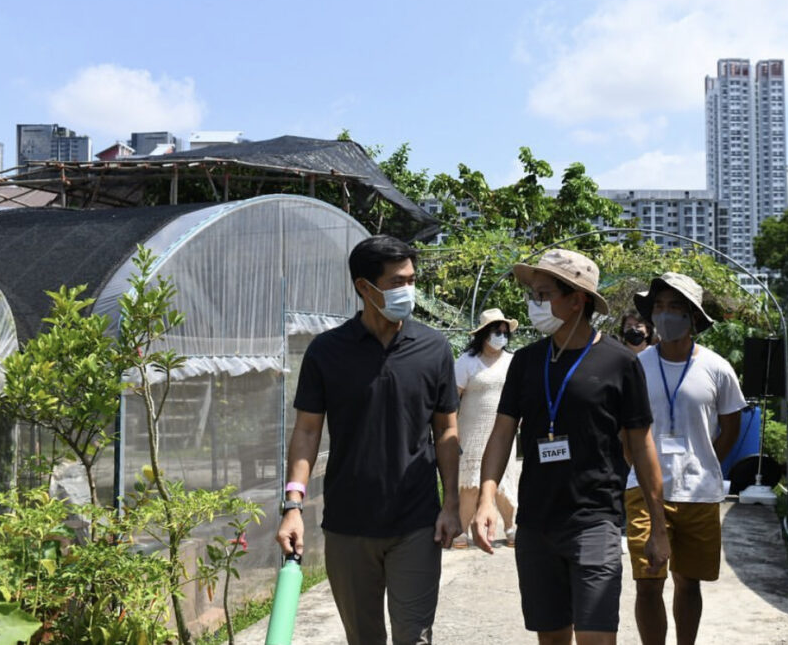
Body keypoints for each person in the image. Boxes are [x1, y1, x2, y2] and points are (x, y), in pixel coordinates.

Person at [472, 248, 671, 645]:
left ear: (577, 300)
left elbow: (642, 445)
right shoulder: (526, 362)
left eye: (543, 294)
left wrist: (658, 527)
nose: (534, 303)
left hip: (595, 519)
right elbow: (502, 433)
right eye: (533, 294)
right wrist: (485, 500)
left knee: (596, 637)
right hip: (536, 523)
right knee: (552, 638)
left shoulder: (619, 362)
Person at [275, 235, 462, 645]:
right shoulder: (327, 351)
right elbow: (307, 431)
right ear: (364, 287)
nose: (408, 290)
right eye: (397, 282)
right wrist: (293, 506)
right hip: (349, 525)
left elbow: (447, 430)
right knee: (363, 638)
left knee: (414, 637)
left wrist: (451, 503)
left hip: (416, 522)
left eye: (412, 280)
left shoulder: (433, 348)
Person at [624, 273, 747, 645]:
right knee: (647, 582)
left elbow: (731, 426)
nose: (664, 314)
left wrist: (705, 463)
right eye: (659, 307)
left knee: (688, 582)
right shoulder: (636, 366)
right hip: (644, 490)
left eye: (674, 307)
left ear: (692, 316)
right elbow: (623, 428)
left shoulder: (717, 368)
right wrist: (636, 467)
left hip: (698, 491)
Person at [453, 308, 520, 549]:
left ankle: (511, 527)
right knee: (470, 482)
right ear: (483, 334)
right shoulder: (466, 362)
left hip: (504, 431)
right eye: (496, 331)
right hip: (471, 432)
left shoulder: (513, 361)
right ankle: (462, 529)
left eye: (504, 332)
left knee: (504, 480)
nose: (501, 336)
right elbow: (453, 399)